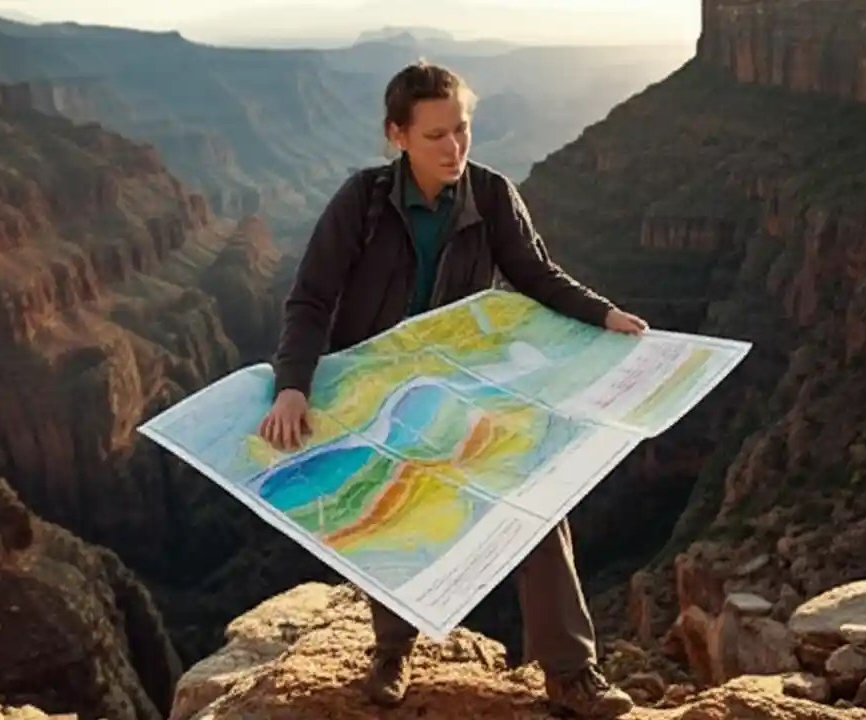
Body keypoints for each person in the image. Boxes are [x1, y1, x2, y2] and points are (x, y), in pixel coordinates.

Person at [258, 60, 646, 719]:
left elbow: (537, 275)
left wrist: (605, 314)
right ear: (397, 136)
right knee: (388, 511)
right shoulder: (363, 202)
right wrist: (293, 386)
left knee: (536, 503)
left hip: (463, 387)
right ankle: (392, 651)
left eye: (462, 130)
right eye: (436, 135)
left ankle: (571, 673)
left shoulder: (491, 195)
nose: (454, 148)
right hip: (377, 390)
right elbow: (312, 300)